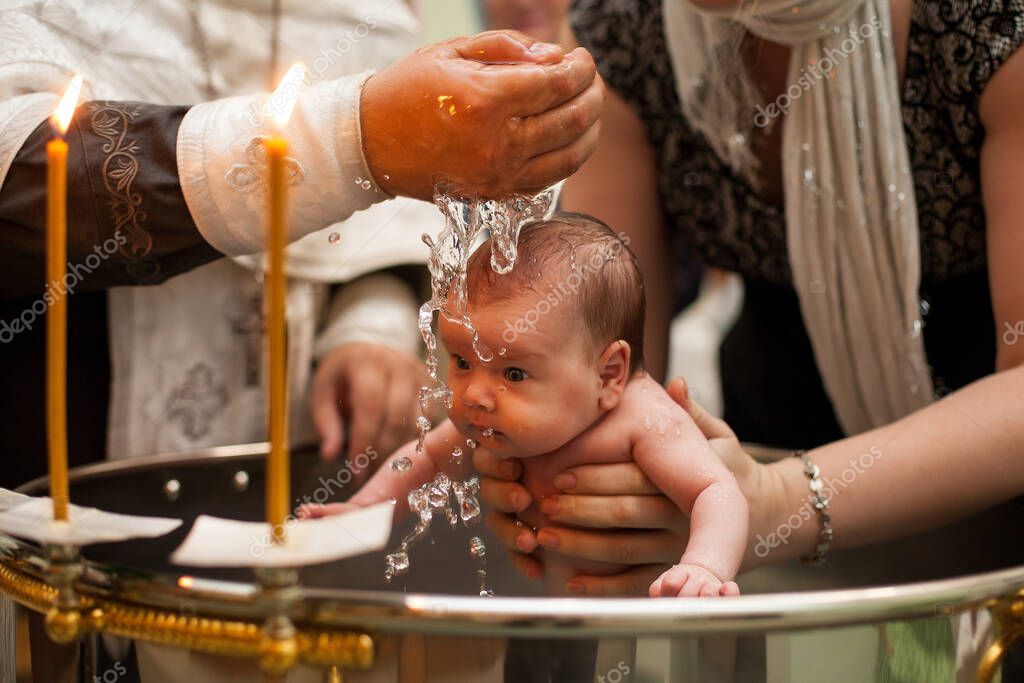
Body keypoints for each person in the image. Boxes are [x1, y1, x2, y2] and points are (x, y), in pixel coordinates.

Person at [477, 0, 1024, 602]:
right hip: (769, 428)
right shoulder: (625, 25)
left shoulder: (987, 18)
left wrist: (779, 502)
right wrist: (558, 472)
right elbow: (594, 353)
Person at [0, 0, 603, 489]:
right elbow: (25, 183)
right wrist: (355, 139)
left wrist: (370, 322)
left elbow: (391, 225)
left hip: (309, 470)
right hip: (59, 459)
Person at [303, 215, 748, 598]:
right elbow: (423, 460)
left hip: (635, 626)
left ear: (609, 374)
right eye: (461, 360)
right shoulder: (487, 416)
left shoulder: (644, 419)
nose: (474, 393)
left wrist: (704, 568)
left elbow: (718, 491)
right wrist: (363, 510)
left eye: (513, 374)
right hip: (541, 614)